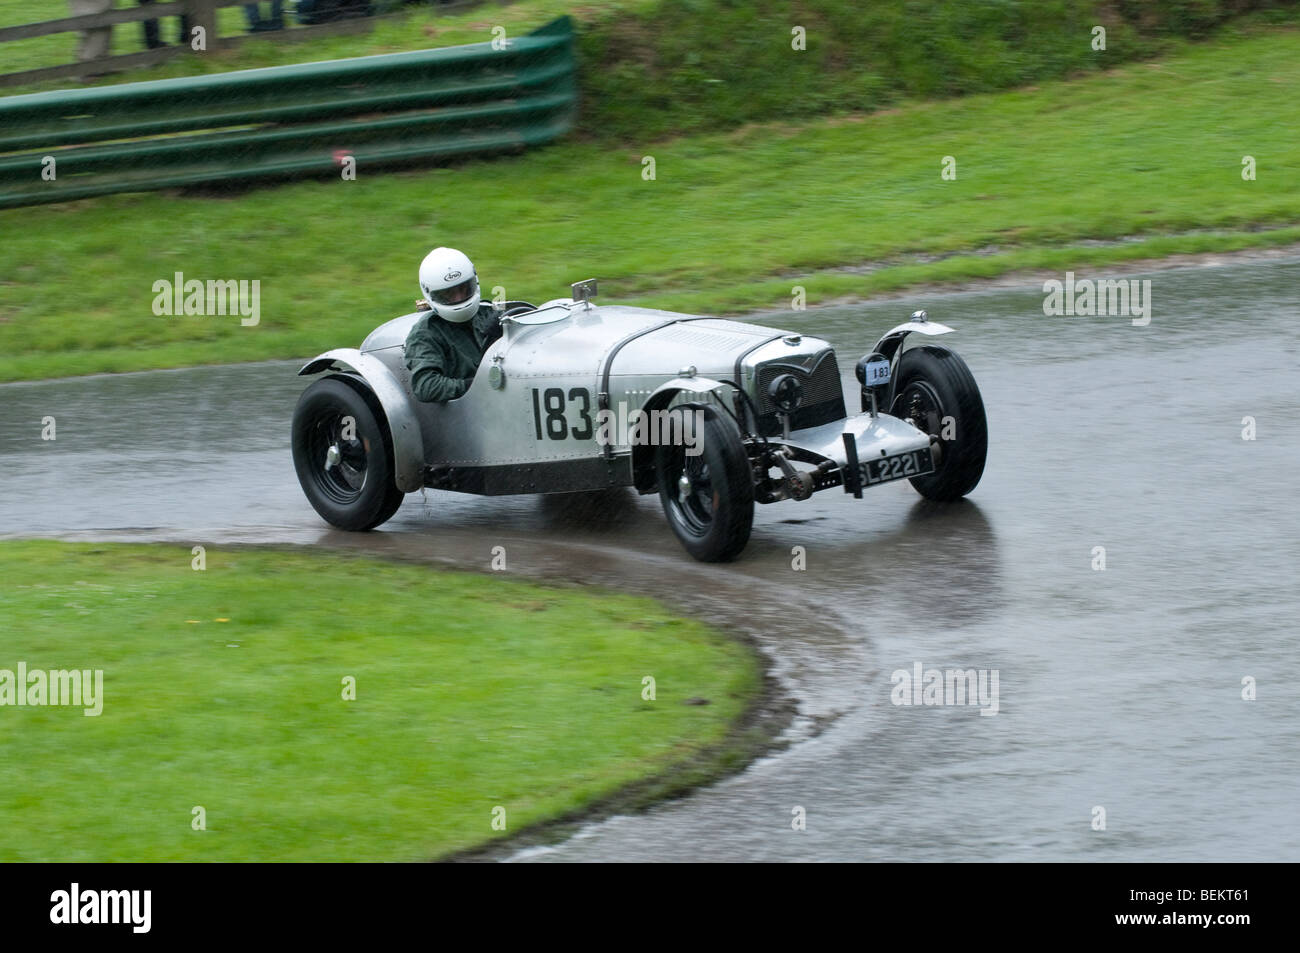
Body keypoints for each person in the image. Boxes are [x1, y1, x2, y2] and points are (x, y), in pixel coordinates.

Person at [404, 248, 502, 403]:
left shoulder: (490, 313)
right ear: (430, 295)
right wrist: (476, 385)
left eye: (464, 289)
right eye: (448, 294)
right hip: (471, 413)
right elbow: (426, 386)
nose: (459, 298)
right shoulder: (425, 334)